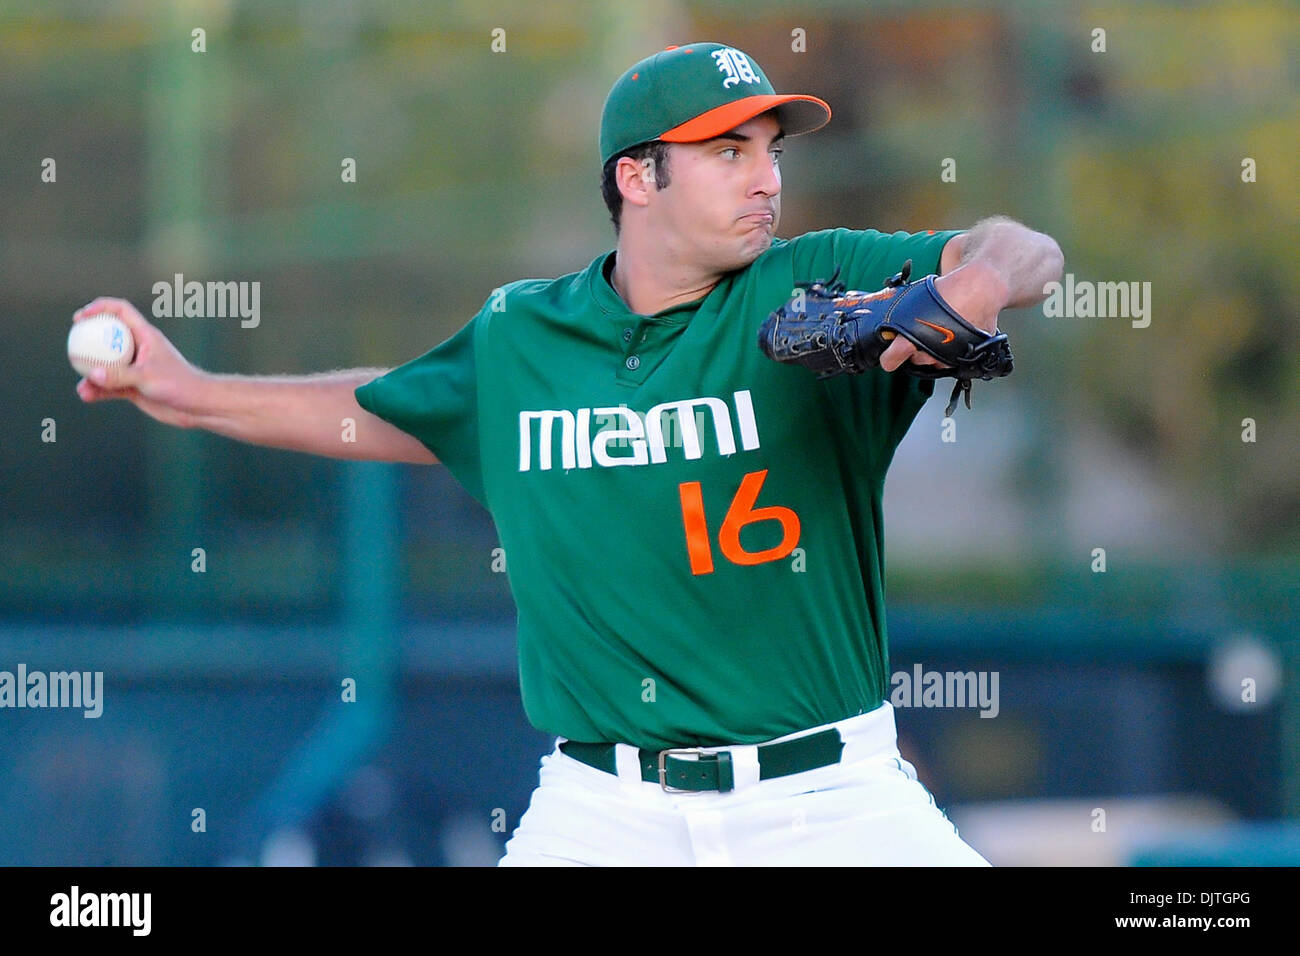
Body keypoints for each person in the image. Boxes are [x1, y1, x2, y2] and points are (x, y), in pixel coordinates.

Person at [75, 42, 1063, 866]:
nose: (766, 176)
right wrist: (190, 392)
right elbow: (384, 409)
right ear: (637, 176)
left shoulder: (807, 277)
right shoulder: (522, 338)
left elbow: (1028, 250)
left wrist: (974, 281)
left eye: (769, 149)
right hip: (605, 808)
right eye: (727, 150)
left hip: (827, 799)